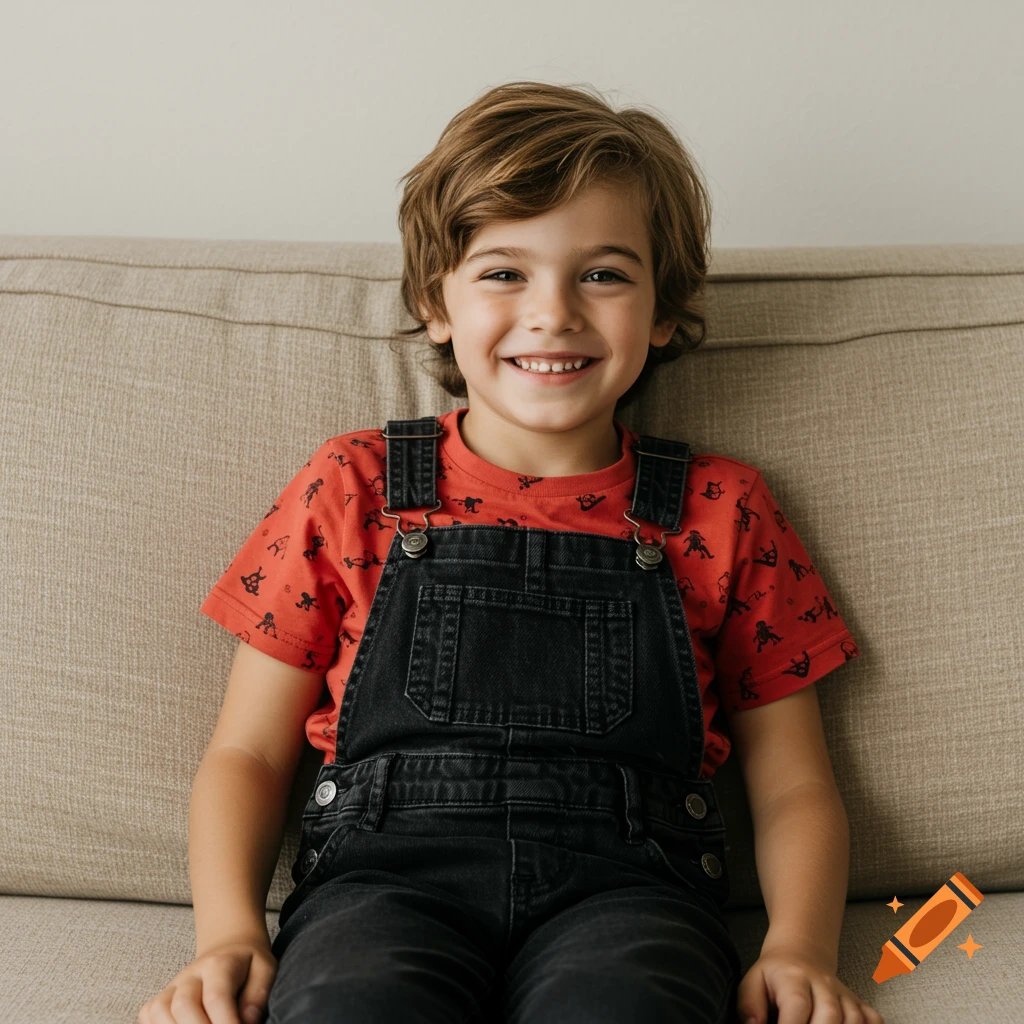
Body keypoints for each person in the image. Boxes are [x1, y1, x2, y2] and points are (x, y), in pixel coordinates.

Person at [138, 80, 883, 1024]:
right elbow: (245, 753)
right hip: (380, 888)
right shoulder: (352, 486)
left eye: (604, 274)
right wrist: (230, 935)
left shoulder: (723, 508)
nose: (554, 312)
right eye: (503, 273)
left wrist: (799, 950)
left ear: (664, 309)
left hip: (631, 897)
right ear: (434, 301)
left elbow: (793, 786)